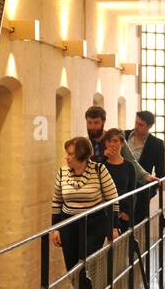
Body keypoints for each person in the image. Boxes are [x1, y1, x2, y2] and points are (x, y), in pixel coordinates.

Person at [51, 136, 120, 273]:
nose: (67, 157)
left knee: (88, 266)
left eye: (71, 154)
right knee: (72, 269)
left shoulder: (99, 170)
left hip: (94, 225)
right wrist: (56, 228)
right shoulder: (63, 172)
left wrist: (114, 227)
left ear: (81, 154)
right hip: (68, 225)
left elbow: (113, 199)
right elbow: (57, 202)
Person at [85, 105, 158, 185]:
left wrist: (145, 176)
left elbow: (131, 160)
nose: (92, 127)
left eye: (96, 123)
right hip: (92, 187)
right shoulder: (84, 143)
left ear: (103, 122)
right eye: (89, 123)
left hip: (114, 186)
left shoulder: (116, 140)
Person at [124, 110, 165, 226]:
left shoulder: (156, 144)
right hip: (121, 188)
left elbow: (160, 173)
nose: (136, 126)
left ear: (149, 126)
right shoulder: (124, 136)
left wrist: (150, 191)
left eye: (141, 125)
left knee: (138, 226)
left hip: (141, 191)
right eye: (136, 123)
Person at [100, 128, 139, 231]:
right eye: (109, 141)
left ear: (122, 143)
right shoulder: (102, 165)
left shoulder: (129, 166)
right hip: (105, 213)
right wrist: (104, 158)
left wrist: (128, 213)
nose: (112, 144)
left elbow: (132, 192)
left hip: (123, 213)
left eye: (115, 141)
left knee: (123, 245)